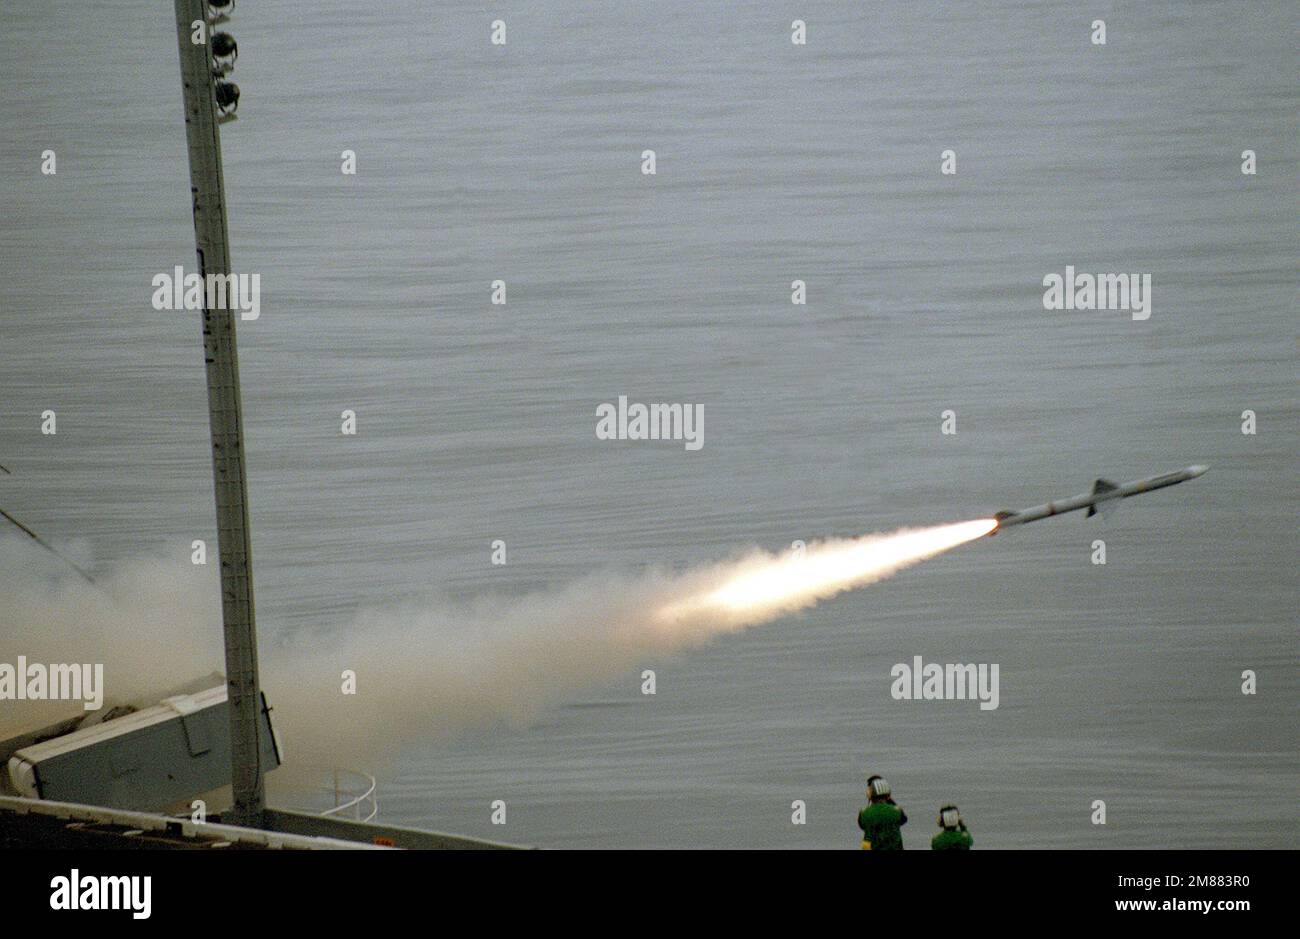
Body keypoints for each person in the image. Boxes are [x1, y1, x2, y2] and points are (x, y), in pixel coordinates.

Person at [857, 775, 907, 850]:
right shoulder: (897, 811)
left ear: (871, 794)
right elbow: (903, 820)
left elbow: (862, 825)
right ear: (888, 795)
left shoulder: (864, 813)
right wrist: (891, 801)